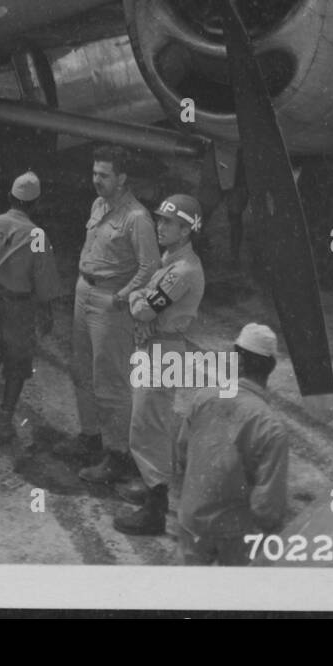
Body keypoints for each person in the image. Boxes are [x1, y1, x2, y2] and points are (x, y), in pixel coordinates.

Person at [52, 147, 160, 482]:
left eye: (104, 175)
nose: (96, 180)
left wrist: (124, 296)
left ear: (122, 178)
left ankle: (118, 456)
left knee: (111, 381)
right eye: (95, 173)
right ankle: (90, 436)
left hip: (111, 301)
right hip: (85, 291)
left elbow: (150, 266)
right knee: (81, 368)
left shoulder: (137, 218)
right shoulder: (98, 205)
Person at [113, 194, 207, 536]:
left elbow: (141, 310)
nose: (160, 225)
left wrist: (137, 299)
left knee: (147, 425)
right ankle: (151, 484)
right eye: (161, 219)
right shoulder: (170, 260)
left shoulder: (180, 271)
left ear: (186, 230)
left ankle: (154, 509)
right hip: (154, 347)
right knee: (148, 422)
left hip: (162, 352)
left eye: (168, 222)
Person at [173, 324, 290, 564]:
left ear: (237, 360)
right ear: (271, 367)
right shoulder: (271, 427)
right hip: (235, 533)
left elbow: (182, 453)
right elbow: (267, 506)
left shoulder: (205, 397)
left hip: (192, 519)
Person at [0, 172, 61, 445]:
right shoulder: (37, 235)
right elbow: (44, 280)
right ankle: (4, 418)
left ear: (10, 197)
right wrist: (46, 311)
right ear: (36, 204)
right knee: (17, 366)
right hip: (18, 308)